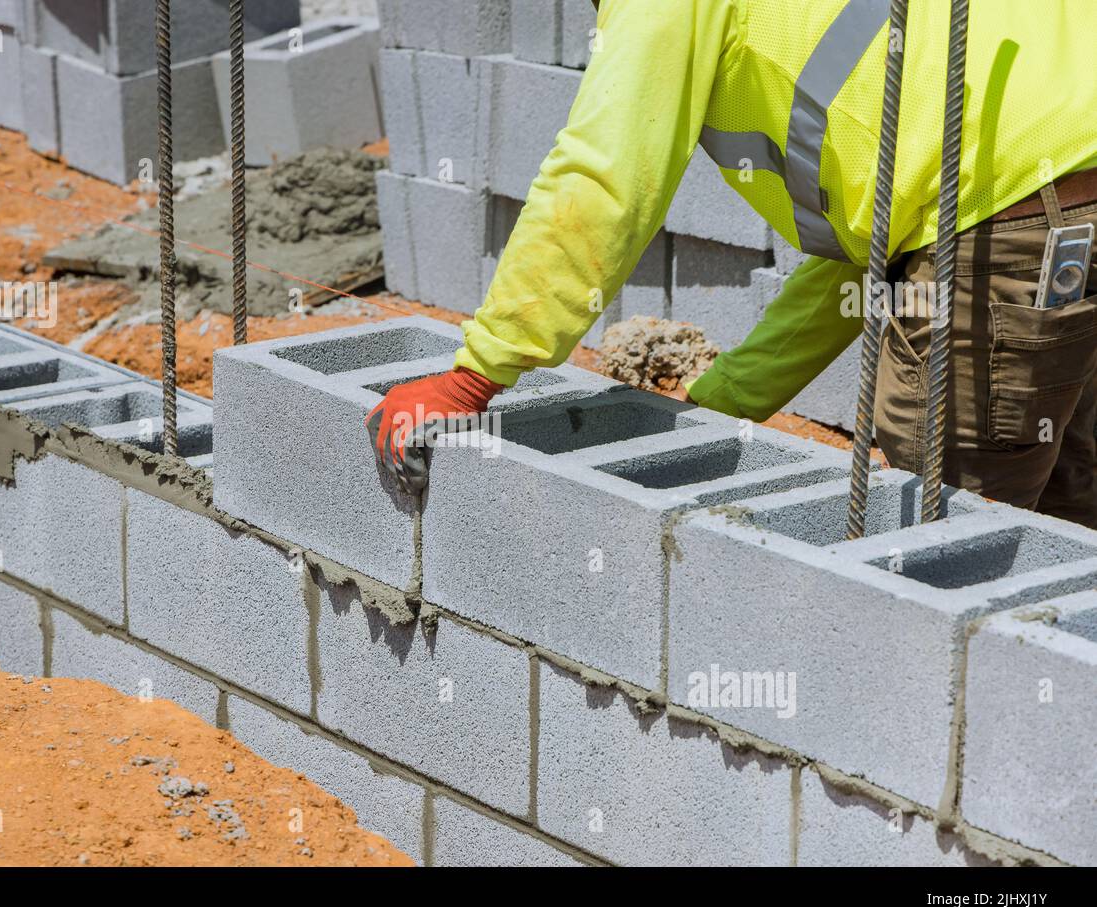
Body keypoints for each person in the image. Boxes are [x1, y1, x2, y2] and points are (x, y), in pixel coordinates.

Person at [366, 0, 1097, 527]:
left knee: (944, 554)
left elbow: (603, 180)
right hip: (1054, 191)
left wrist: (474, 376)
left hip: (1013, 221)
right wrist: (723, 402)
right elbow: (863, 261)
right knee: (1066, 512)